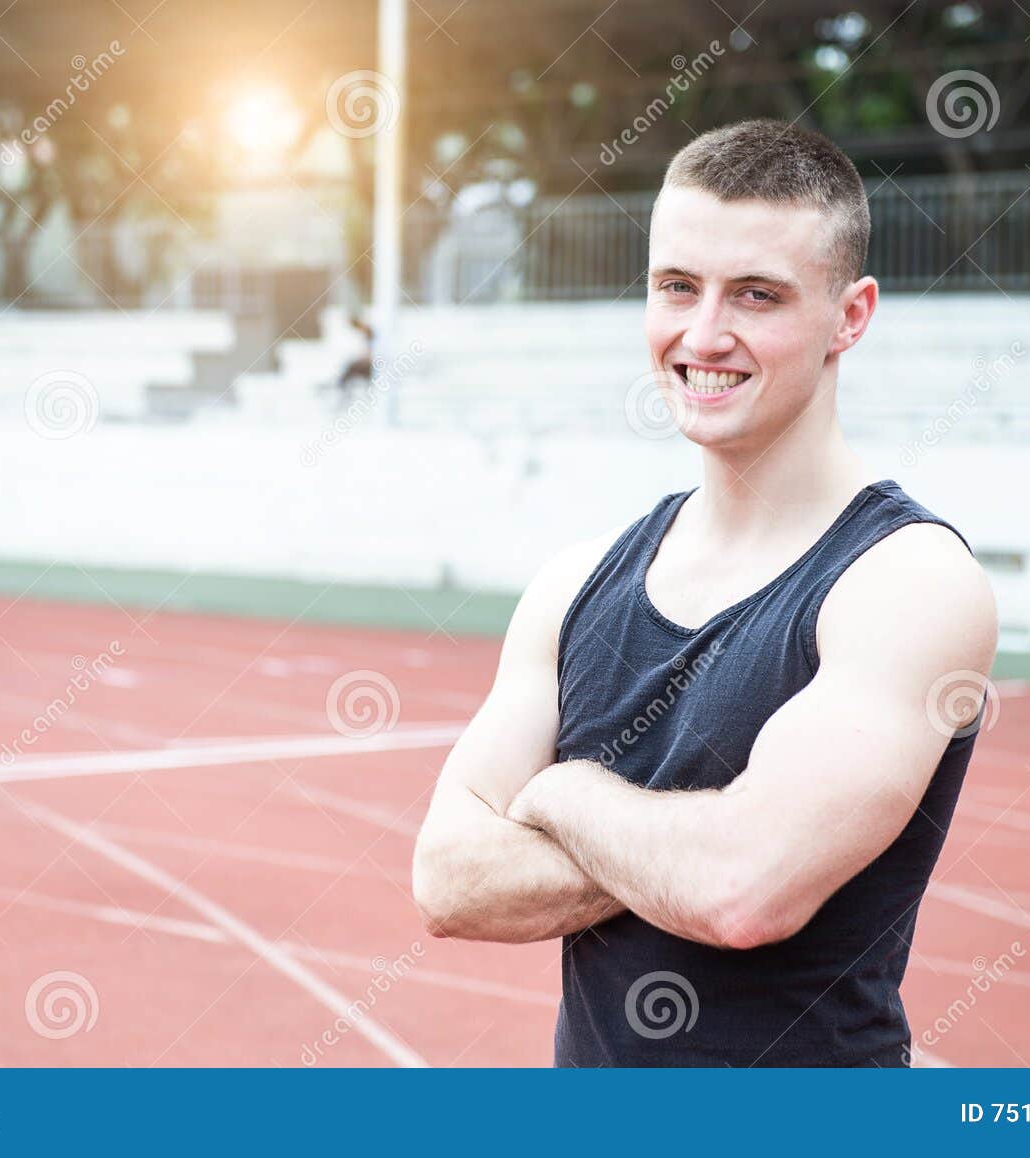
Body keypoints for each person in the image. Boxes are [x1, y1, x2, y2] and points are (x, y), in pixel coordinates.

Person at [411, 119, 999, 1067]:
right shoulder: (575, 584)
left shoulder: (909, 581)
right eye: (676, 287)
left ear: (851, 316)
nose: (704, 334)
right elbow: (447, 882)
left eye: (757, 295)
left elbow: (743, 893)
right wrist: (690, 840)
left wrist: (562, 793)